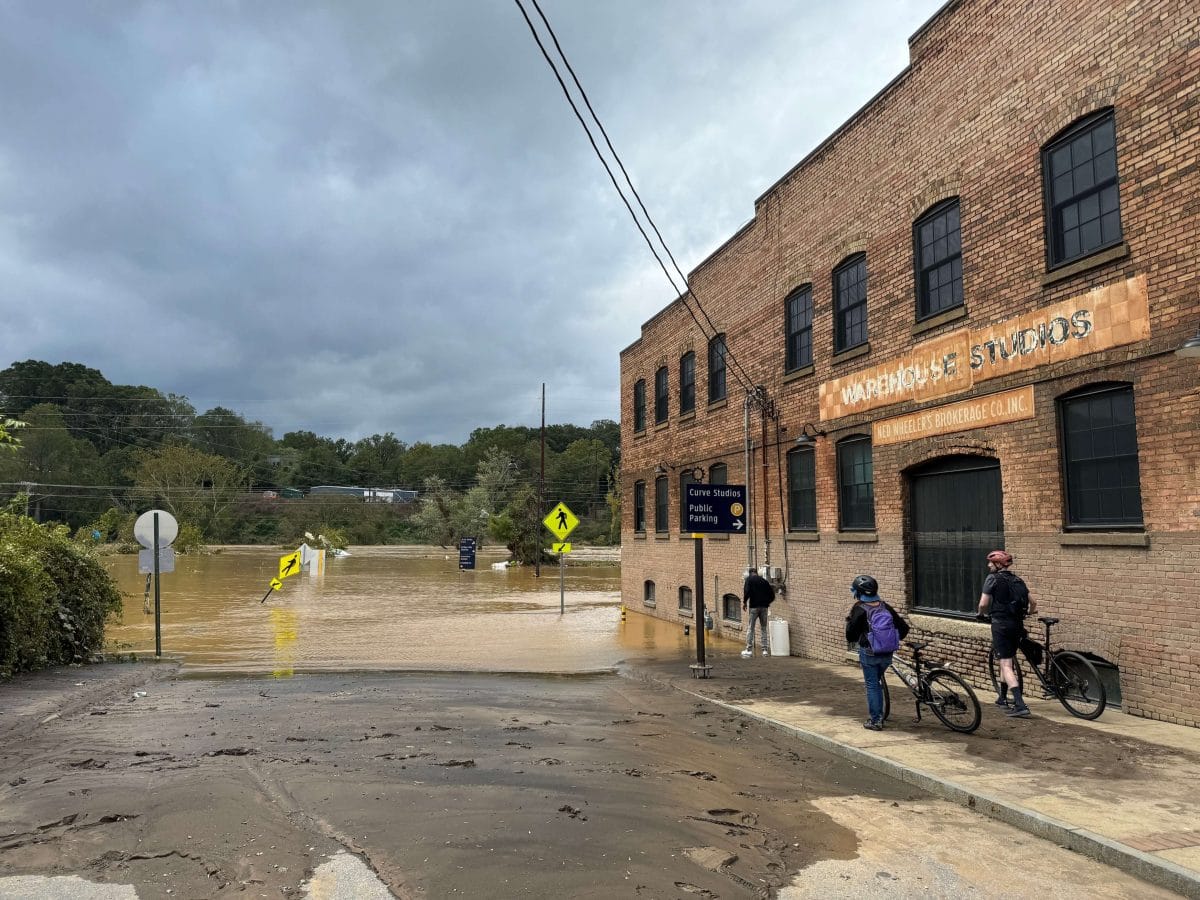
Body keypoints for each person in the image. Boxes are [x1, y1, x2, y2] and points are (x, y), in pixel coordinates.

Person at [978, 549, 1037, 718]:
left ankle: (1020, 704)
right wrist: (1029, 613)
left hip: (1001, 625)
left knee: (1005, 664)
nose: (988, 565)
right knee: (1007, 659)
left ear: (998, 564)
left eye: (991, 562)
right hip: (1017, 625)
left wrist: (981, 614)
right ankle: (1002, 698)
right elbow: (1033, 603)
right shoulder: (1018, 580)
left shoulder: (992, 579)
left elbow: (983, 604)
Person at [845, 575, 909, 731]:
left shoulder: (859, 608)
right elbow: (904, 629)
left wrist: (852, 625)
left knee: (872, 685)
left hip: (869, 653)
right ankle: (879, 714)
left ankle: (876, 720)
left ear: (858, 593)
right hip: (887, 654)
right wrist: (888, 640)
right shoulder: (885, 607)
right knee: (877, 681)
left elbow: (850, 636)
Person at [740, 568, 775, 657]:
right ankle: (765, 650)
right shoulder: (764, 581)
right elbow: (772, 595)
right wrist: (767, 603)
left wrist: (744, 602)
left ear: (750, 573)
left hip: (754, 607)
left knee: (751, 628)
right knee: (763, 628)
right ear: (756, 572)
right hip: (764, 607)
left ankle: (748, 649)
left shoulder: (749, 579)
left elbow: (747, 592)